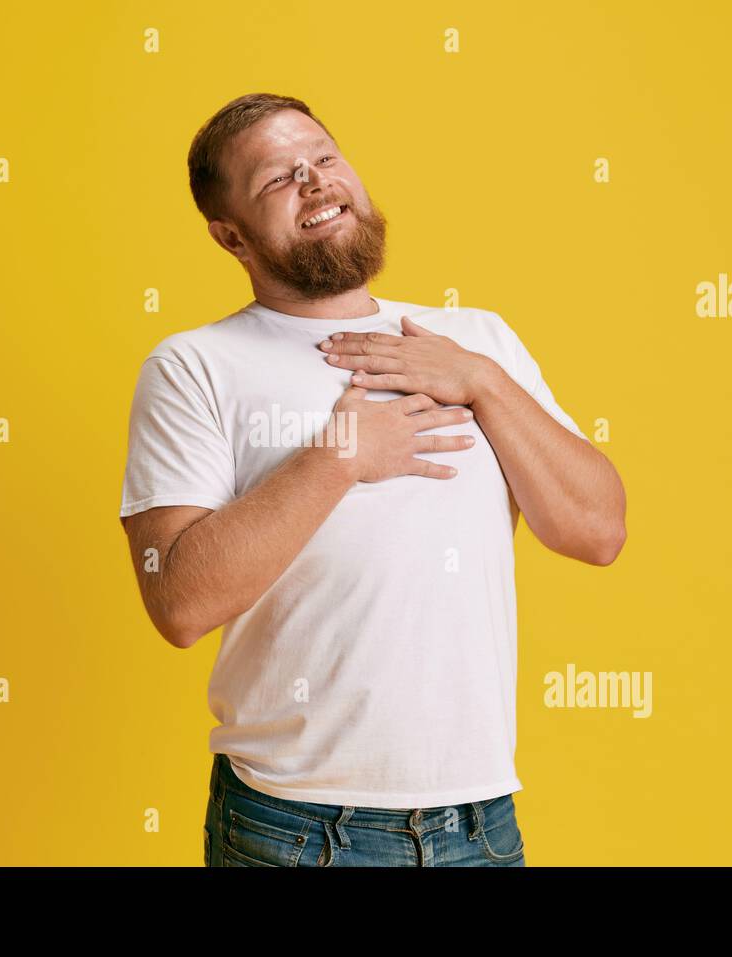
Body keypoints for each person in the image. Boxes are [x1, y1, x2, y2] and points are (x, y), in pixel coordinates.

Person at [119, 93, 627, 866]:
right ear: (231, 235)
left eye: (323, 158)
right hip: (294, 829)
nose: (315, 182)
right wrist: (339, 457)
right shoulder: (194, 367)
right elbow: (179, 602)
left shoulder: (475, 339)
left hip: (479, 826)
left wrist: (482, 382)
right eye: (277, 181)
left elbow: (597, 531)